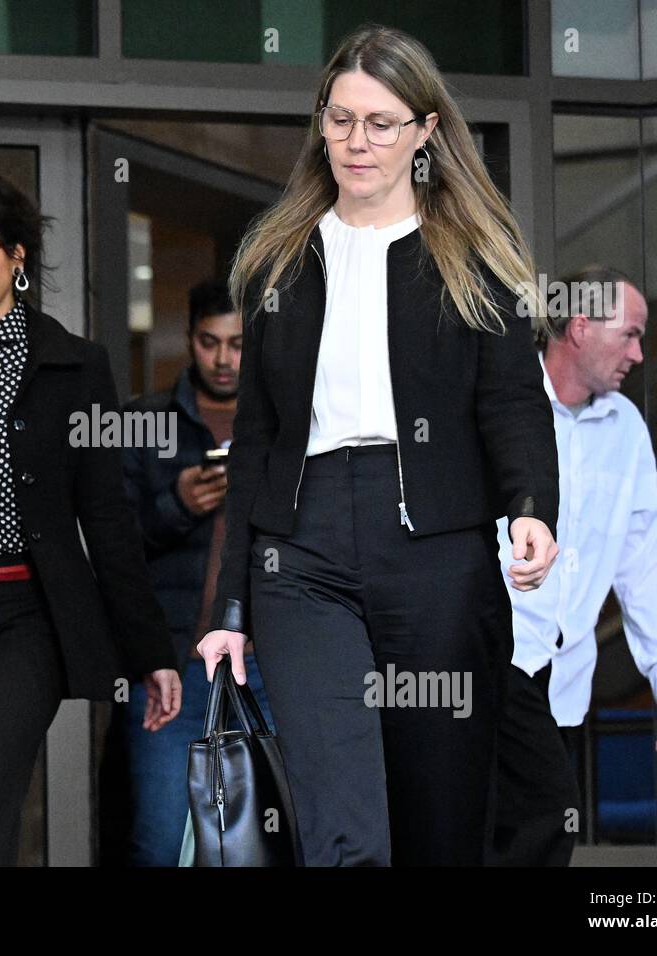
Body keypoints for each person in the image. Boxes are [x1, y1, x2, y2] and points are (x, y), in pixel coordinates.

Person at [197, 23, 560, 866]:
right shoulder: (280, 255)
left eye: (382, 122)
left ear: (426, 131)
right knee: (342, 830)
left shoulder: (474, 256)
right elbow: (255, 438)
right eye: (341, 119)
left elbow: (511, 404)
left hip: (436, 554)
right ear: (320, 122)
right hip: (304, 555)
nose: (357, 142)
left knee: (440, 822)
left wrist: (531, 510)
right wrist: (230, 608)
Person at [0, 159, 181, 866]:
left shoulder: (73, 364)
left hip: (22, 619)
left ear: (16, 255)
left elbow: (108, 517)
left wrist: (151, 654)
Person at [488, 265, 657, 866]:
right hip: (494, 658)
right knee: (547, 817)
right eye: (629, 334)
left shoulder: (626, 427)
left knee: (522, 829)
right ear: (579, 327)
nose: (639, 352)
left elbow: (640, 556)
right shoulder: (504, 405)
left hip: (565, 674)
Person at [117, 278, 273, 866]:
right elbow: (113, 551)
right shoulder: (145, 422)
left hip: (266, 664)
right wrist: (177, 505)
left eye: (237, 344)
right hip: (174, 668)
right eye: (210, 343)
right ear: (189, 340)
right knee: (158, 840)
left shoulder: (281, 426)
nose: (224, 359)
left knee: (269, 836)